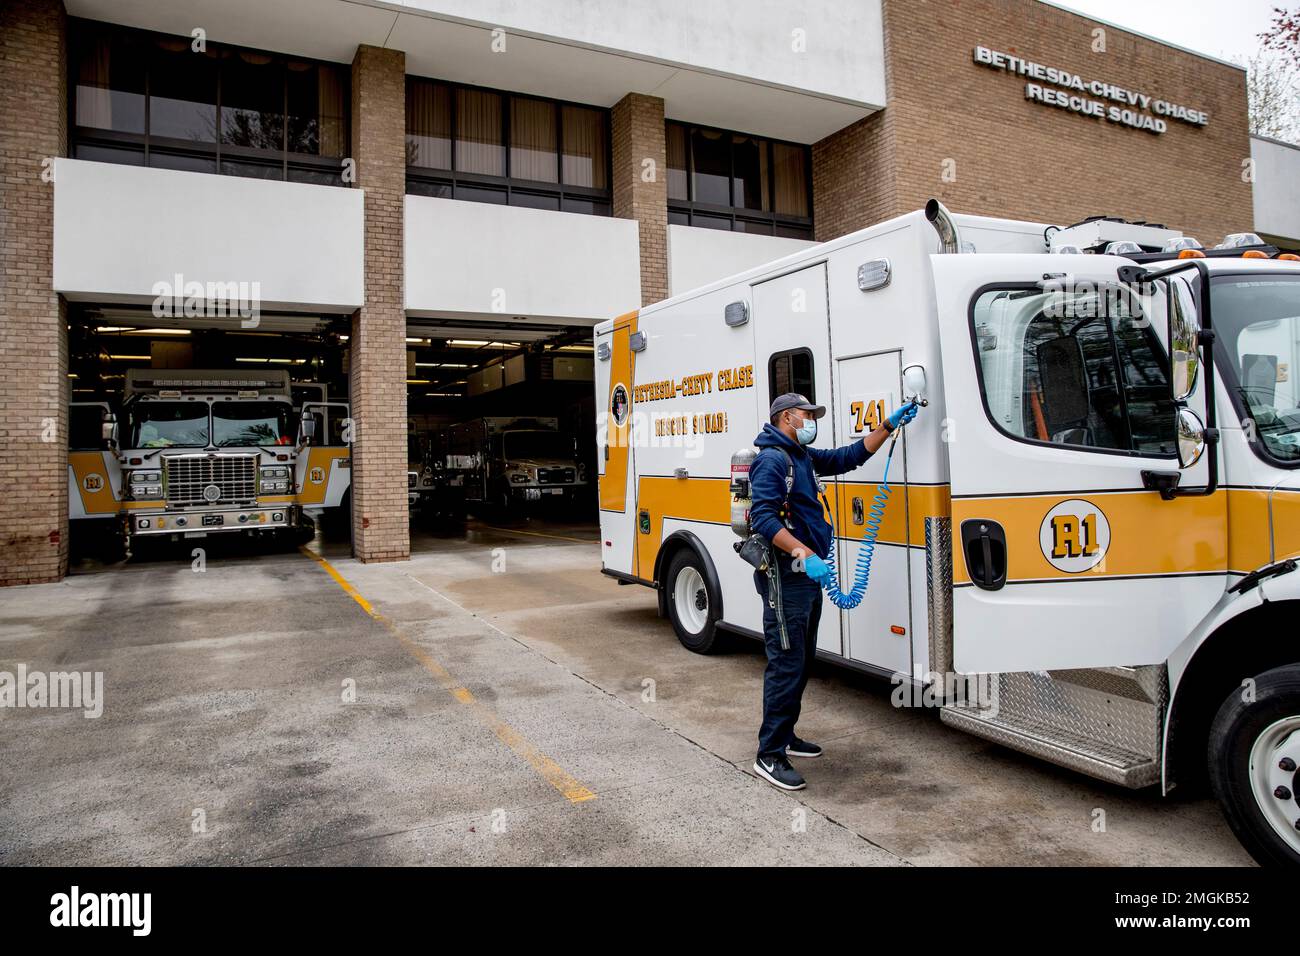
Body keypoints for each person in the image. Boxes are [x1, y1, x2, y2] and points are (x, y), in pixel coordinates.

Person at [748, 392, 919, 791]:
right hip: (786, 578)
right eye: (808, 415)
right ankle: (769, 754)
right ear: (787, 416)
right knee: (786, 663)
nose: (812, 420)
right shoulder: (772, 460)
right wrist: (802, 552)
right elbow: (763, 517)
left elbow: (848, 457)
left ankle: (786, 735)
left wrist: (888, 426)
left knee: (803, 658)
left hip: (805, 578)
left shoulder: (801, 456)